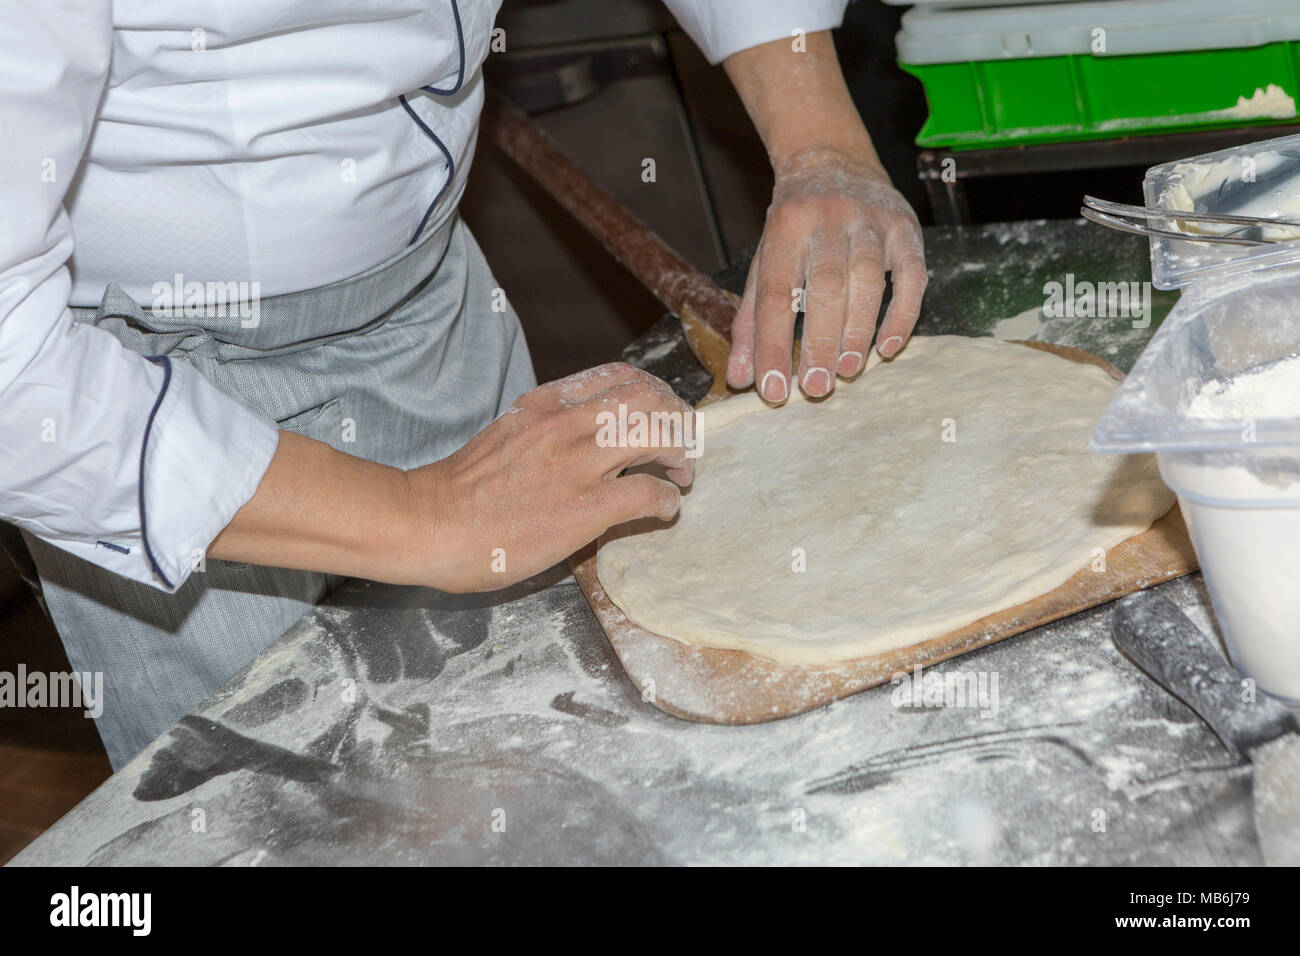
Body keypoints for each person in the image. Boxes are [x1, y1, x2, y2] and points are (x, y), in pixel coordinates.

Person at [0, 0, 927, 768]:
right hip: (147, 401)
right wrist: (431, 519)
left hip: (435, 308)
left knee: (556, 763)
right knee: (298, 809)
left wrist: (819, 141)